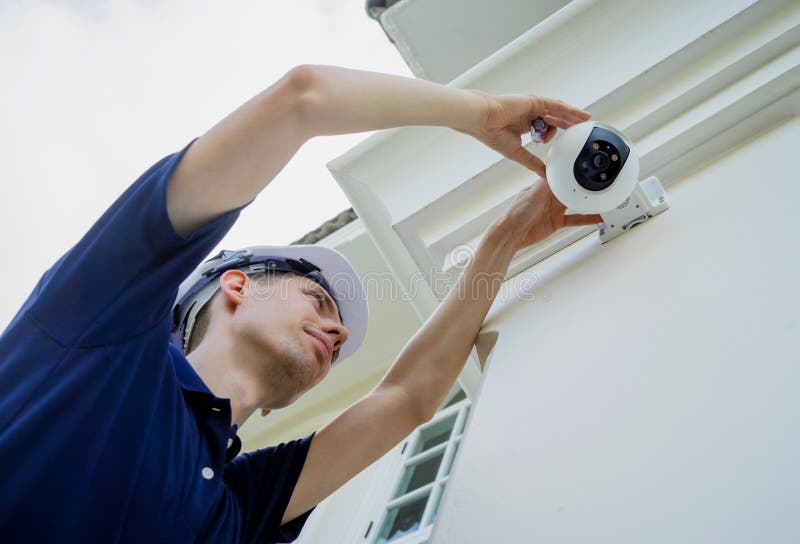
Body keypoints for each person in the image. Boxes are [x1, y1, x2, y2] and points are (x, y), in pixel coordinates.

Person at [0, 65, 600, 543]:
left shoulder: (233, 509)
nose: (334, 335)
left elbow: (408, 398)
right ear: (237, 284)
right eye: (317, 299)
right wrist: (485, 113)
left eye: (338, 343)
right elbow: (303, 98)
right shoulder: (100, 332)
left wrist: (504, 239)